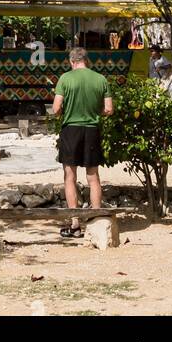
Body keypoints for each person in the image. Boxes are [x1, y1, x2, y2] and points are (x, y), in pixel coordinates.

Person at [51, 46, 113, 239]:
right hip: (92, 130)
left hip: (71, 130)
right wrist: (96, 113)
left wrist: (67, 111)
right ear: (87, 60)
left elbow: (56, 109)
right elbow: (109, 109)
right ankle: (95, 223)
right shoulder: (100, 79)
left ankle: (75, 224)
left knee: (70, 176)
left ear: (71, 61)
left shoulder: (65, 79)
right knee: (93, 176)